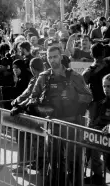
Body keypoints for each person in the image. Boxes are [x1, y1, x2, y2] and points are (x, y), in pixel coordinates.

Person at [27, 46, 92, 186]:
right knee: (52, 159)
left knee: (74, 161)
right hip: (52, 124)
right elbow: (33, 98)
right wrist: (43, 108)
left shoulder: (74, 76)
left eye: (55, 56)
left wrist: (74, 97)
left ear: (61, 57)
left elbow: (88, 96)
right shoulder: (43, 77)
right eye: (50, 57)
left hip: (72, 125)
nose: (52, 60)